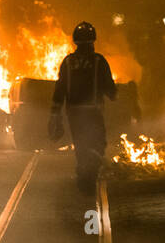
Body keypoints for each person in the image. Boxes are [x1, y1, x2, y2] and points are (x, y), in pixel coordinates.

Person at [50, 22, 117, 194]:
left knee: (80, 144)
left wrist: (55, 114)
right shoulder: (98, 61)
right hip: (93, 111)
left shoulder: (68, 62)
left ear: (76, 41)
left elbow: (60, 89)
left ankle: (82, 173)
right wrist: (113, 94)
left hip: (74, 112)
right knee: (98, 143)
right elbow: (109, 86)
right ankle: (90, 171)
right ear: (93, 41)